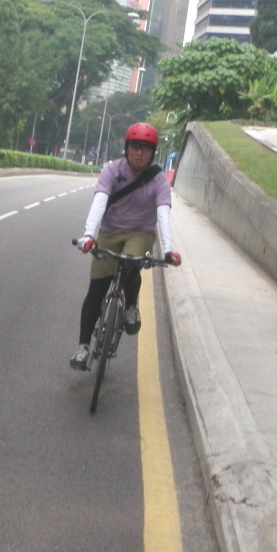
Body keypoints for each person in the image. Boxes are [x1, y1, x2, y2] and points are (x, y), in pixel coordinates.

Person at [70, 122, 181, 370]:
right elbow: (100, 202)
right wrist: (89, 235)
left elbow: (163, 215)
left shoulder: (160, 182)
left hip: (141, 232)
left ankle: (131, 307)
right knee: (96, 289)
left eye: (145, 148)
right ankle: (83, 348)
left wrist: (169, 249)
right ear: (126, 148)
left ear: (153, 153)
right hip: (110, 231)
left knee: (132, 260)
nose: (140, 153)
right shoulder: (111, 171)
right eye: (135, 147)